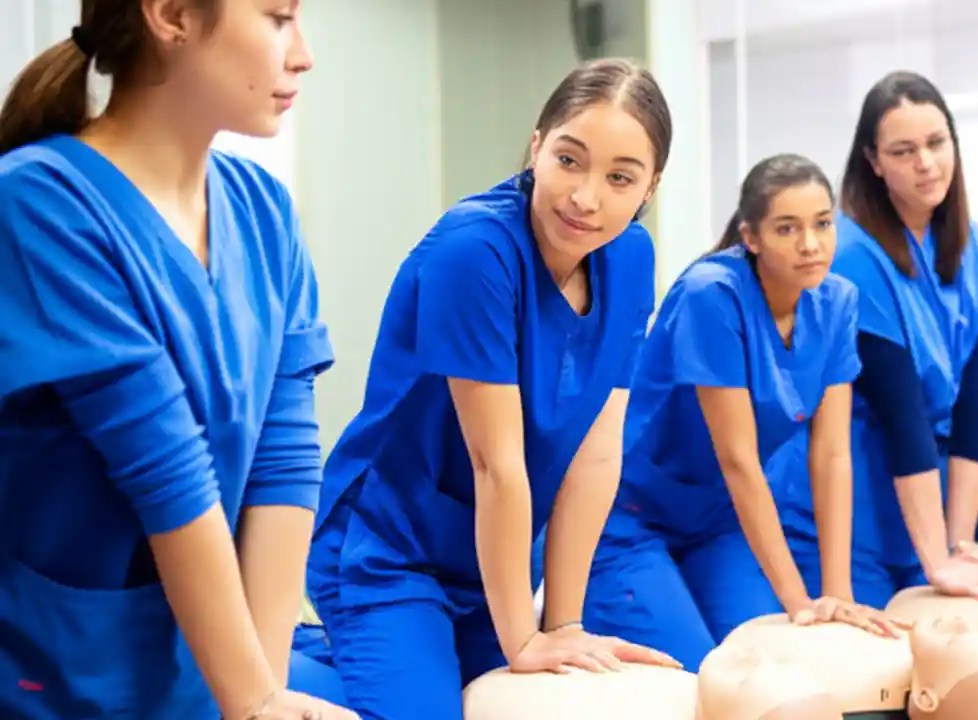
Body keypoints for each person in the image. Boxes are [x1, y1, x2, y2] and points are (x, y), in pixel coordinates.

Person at [0, 1, 355, 719]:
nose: (304, 54)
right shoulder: (38, 203)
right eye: (279, 18)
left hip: (210, 671)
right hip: (58, 681)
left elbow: (282, 459)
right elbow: (166, 469)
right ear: (171, 16)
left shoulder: (263, 212)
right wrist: (251, 700)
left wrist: (264, 691)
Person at [303, 57, 680, 720]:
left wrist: (561, 624)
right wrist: (522, 641)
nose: (586, 197)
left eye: (620, 177)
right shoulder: (475, 251)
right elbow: (495, 463)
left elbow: (595, 455)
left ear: (649, 186)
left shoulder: (631, 258)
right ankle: (247, 674)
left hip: (488, 564)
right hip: (387, 551)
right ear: (537, 147)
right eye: (570, 160)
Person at [583, 153, 903, 672]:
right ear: (751, 237)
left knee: (765, 664)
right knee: (699, 673)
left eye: (823, 224)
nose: (811, 244)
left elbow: (831, 454)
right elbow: (739, 460)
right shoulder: (712, 294)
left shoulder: (838, 301)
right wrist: (799, 601)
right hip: (624, 519)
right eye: (787, 228)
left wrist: (835, 591)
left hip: (716, 522)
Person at [801, 70, 978, 611]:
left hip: (951, 475)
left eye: (935, 143)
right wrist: (936, 557)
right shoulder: (852, 253)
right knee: (883, 646)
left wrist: (960, 543)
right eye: (903, 151)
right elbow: (900, 409)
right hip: (868, 477)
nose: (926, 163)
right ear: (874, 161)